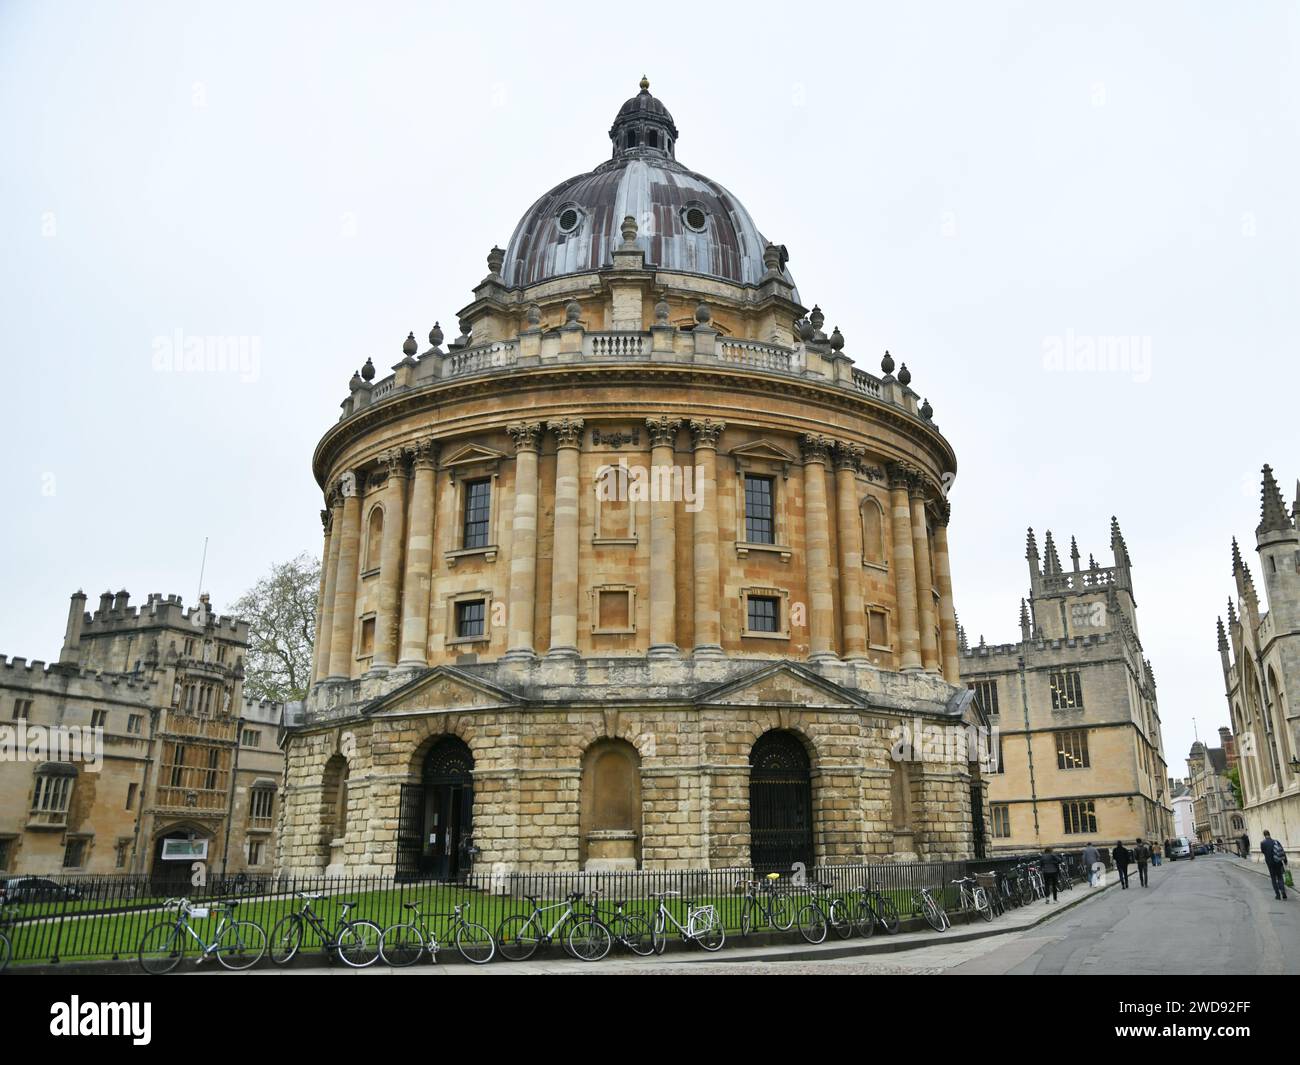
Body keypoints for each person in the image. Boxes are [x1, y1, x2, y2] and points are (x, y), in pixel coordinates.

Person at [1261, 830, 1288, 900]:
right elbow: (1282, 850)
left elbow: (1263, 852)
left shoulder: (1263, 843)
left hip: (1270, 864)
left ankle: (1278, 895)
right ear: (1269, 834)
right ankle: (1283, 891)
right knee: (1280, 877)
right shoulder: (1276, 841)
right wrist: (1285, 860)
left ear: (1264, 835)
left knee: (1273, 879)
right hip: (1278, 862)